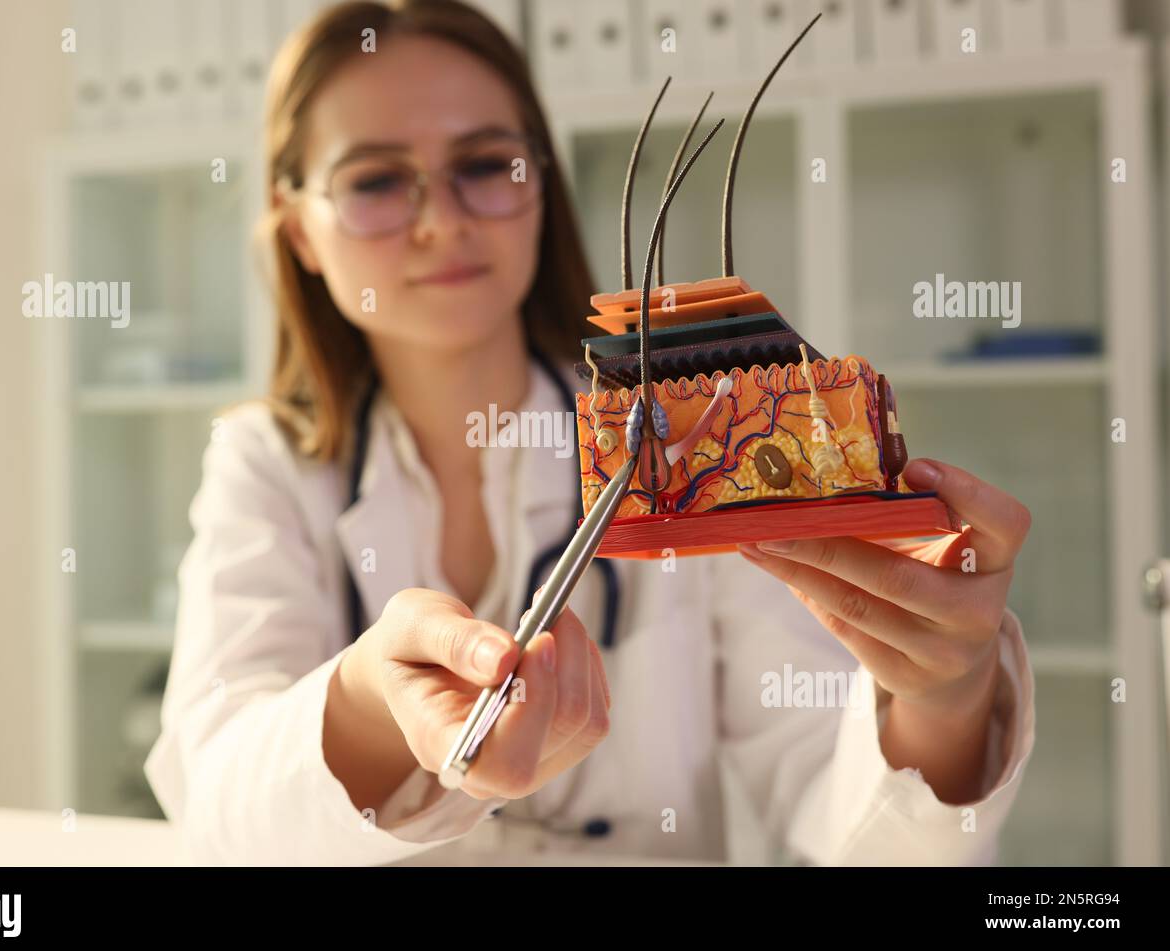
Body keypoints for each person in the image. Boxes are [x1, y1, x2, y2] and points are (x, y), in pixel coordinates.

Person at [144, 0, 1036, 866]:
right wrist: (374, 704)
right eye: (376, 180)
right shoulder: (264, 466)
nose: (442, 221)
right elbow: (216, 806)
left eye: (485, 165)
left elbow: (844, 815)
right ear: (299, 226)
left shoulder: (691, 443)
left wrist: (943, 702)